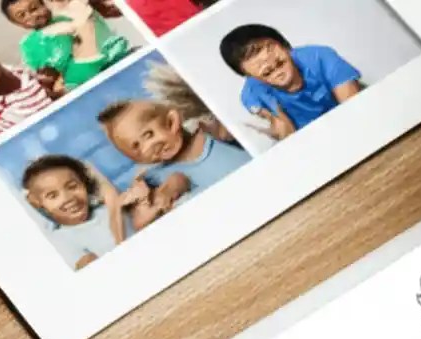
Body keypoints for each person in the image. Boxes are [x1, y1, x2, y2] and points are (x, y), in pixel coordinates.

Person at [98, 99, 251, 218]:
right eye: (136, 147)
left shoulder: (210, 132)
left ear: (172, 122)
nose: (148, 147)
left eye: (149, 135)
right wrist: (142, 199)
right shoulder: (154, 179)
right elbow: (142, 219)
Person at [218, 24, 361, 141]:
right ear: (247, 75)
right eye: (250, 58)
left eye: (269, 47)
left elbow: (356, 110)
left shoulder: (320, 56)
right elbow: (289, 139)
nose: (266, 59)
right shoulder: (253, 95)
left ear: (285, 46)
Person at [22, 155, 135, 270]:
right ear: (39, 204)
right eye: (53, 196)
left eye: (72, 187)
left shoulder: (107, 208)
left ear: (84, 185)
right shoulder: (61, 238)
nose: (68, 198)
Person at [2, 0, 132, 89]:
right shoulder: (30, 45)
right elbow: (45, 74)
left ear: (44, 4)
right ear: (17, 23)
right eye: (22, 15)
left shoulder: (67, 16)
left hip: (112, 61)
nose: (32, 15)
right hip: (81, 82)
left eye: (34, 8)